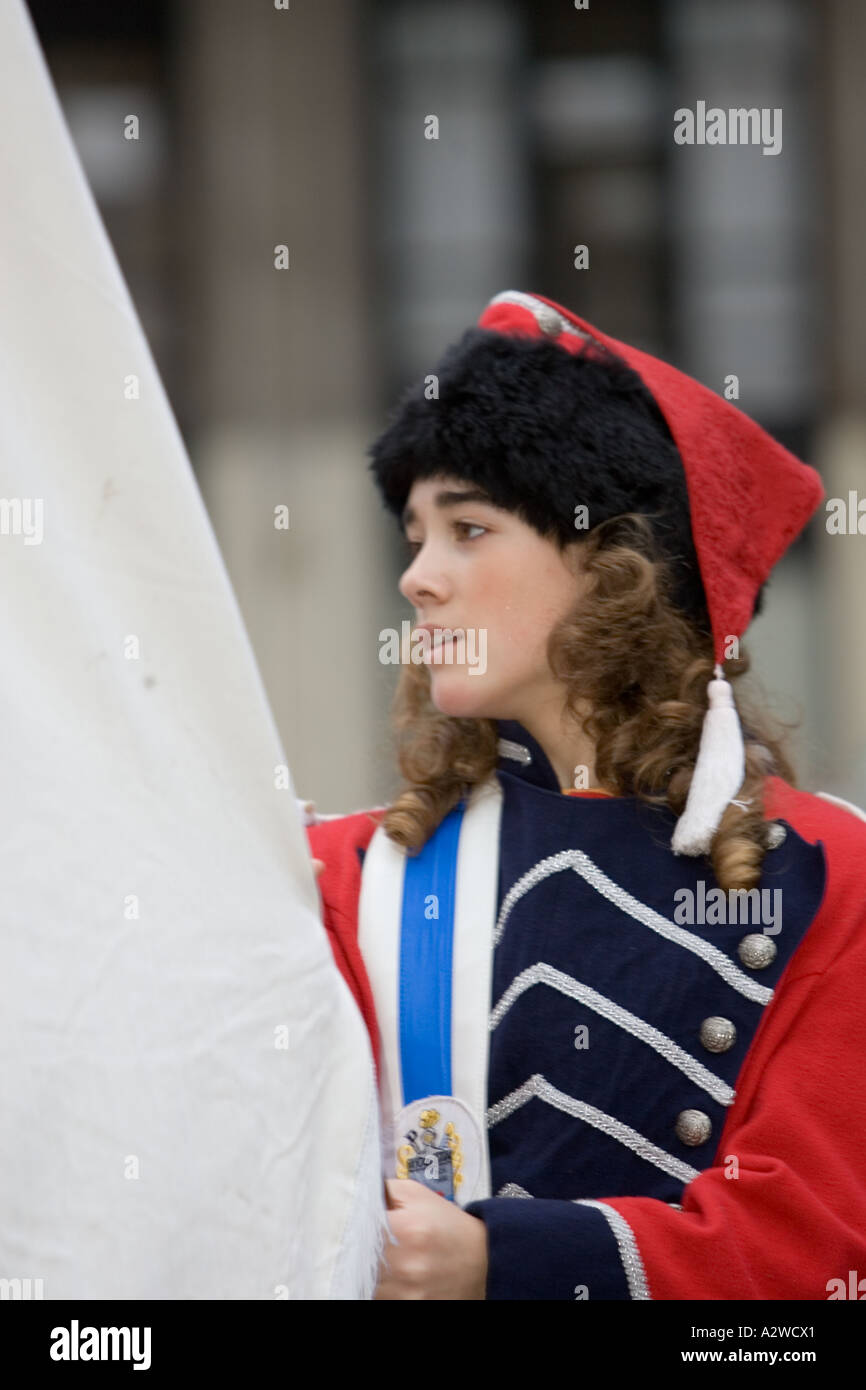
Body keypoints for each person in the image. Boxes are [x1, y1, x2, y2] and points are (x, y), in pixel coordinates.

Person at [305, 289, 866, 1301]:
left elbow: (817, 1253)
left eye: (467, 528)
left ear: (614, 566)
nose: (418, 579)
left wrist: (499, 1262)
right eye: (414, 535)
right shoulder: (341, 878)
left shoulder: (828, 872)